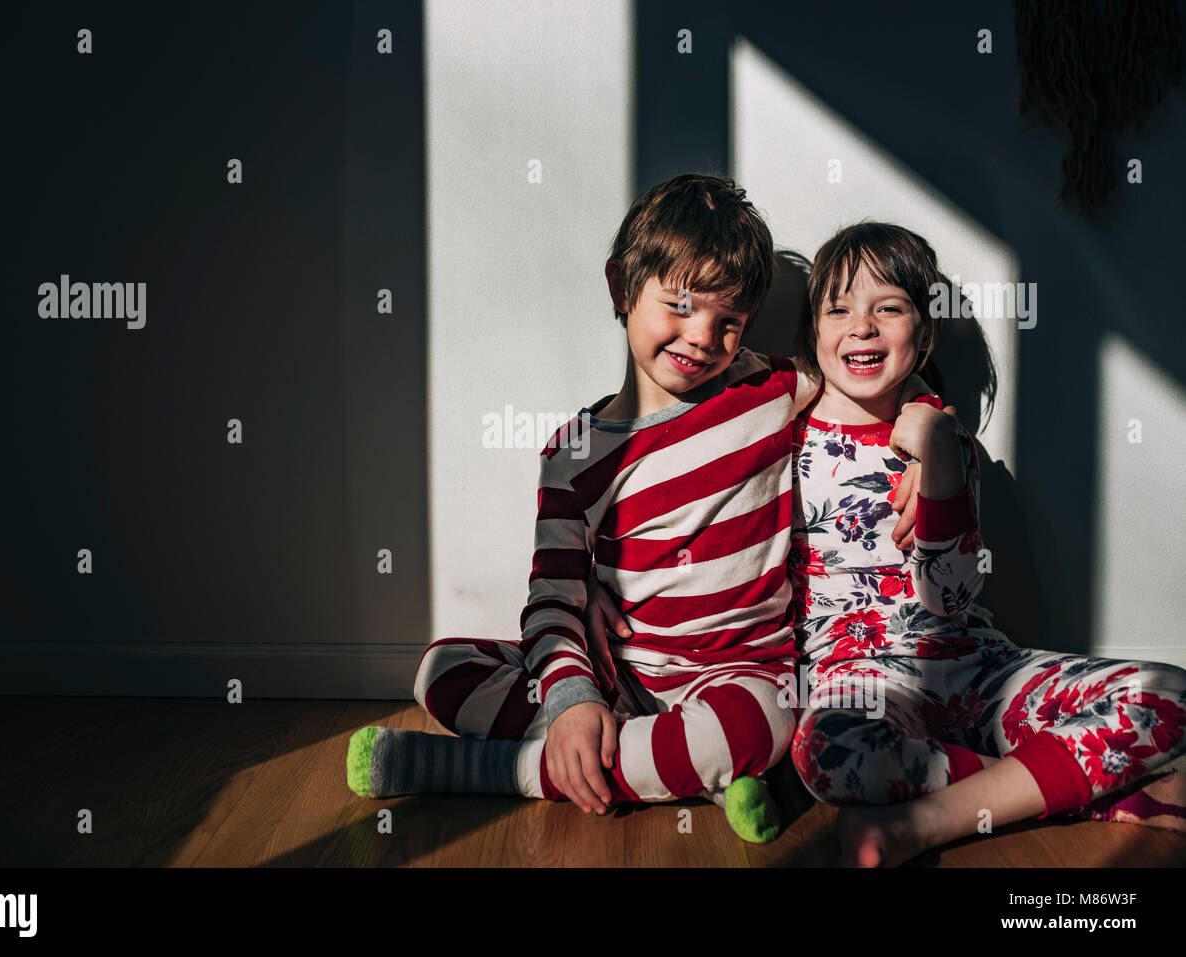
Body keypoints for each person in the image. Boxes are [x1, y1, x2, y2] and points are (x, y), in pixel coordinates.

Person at [345, 175, 929, 842]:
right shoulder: (573, 454)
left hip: (740, 674)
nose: (703, 336)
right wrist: (572, 699)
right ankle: (670, 764)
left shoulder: (768, 389)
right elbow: (553, 599)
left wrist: (923, 415)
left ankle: (494, 768)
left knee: (766, 723)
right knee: (439, 666)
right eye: (680, 304)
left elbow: (861, 378)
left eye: (728, 320)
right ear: (622, 286)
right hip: (621, 676)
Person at [781, 221, 1186, 866]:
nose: (861, 326)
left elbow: (948, 597)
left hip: (972, 668)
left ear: (927, 331)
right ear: (813, 331)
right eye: (839, 309)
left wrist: (940, 457)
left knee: (1168, 694)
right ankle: (1081, 790)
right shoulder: (787, 435)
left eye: (889, 307)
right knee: (831, 753)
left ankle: (924, 822)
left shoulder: (950, 440)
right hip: (860, 678)